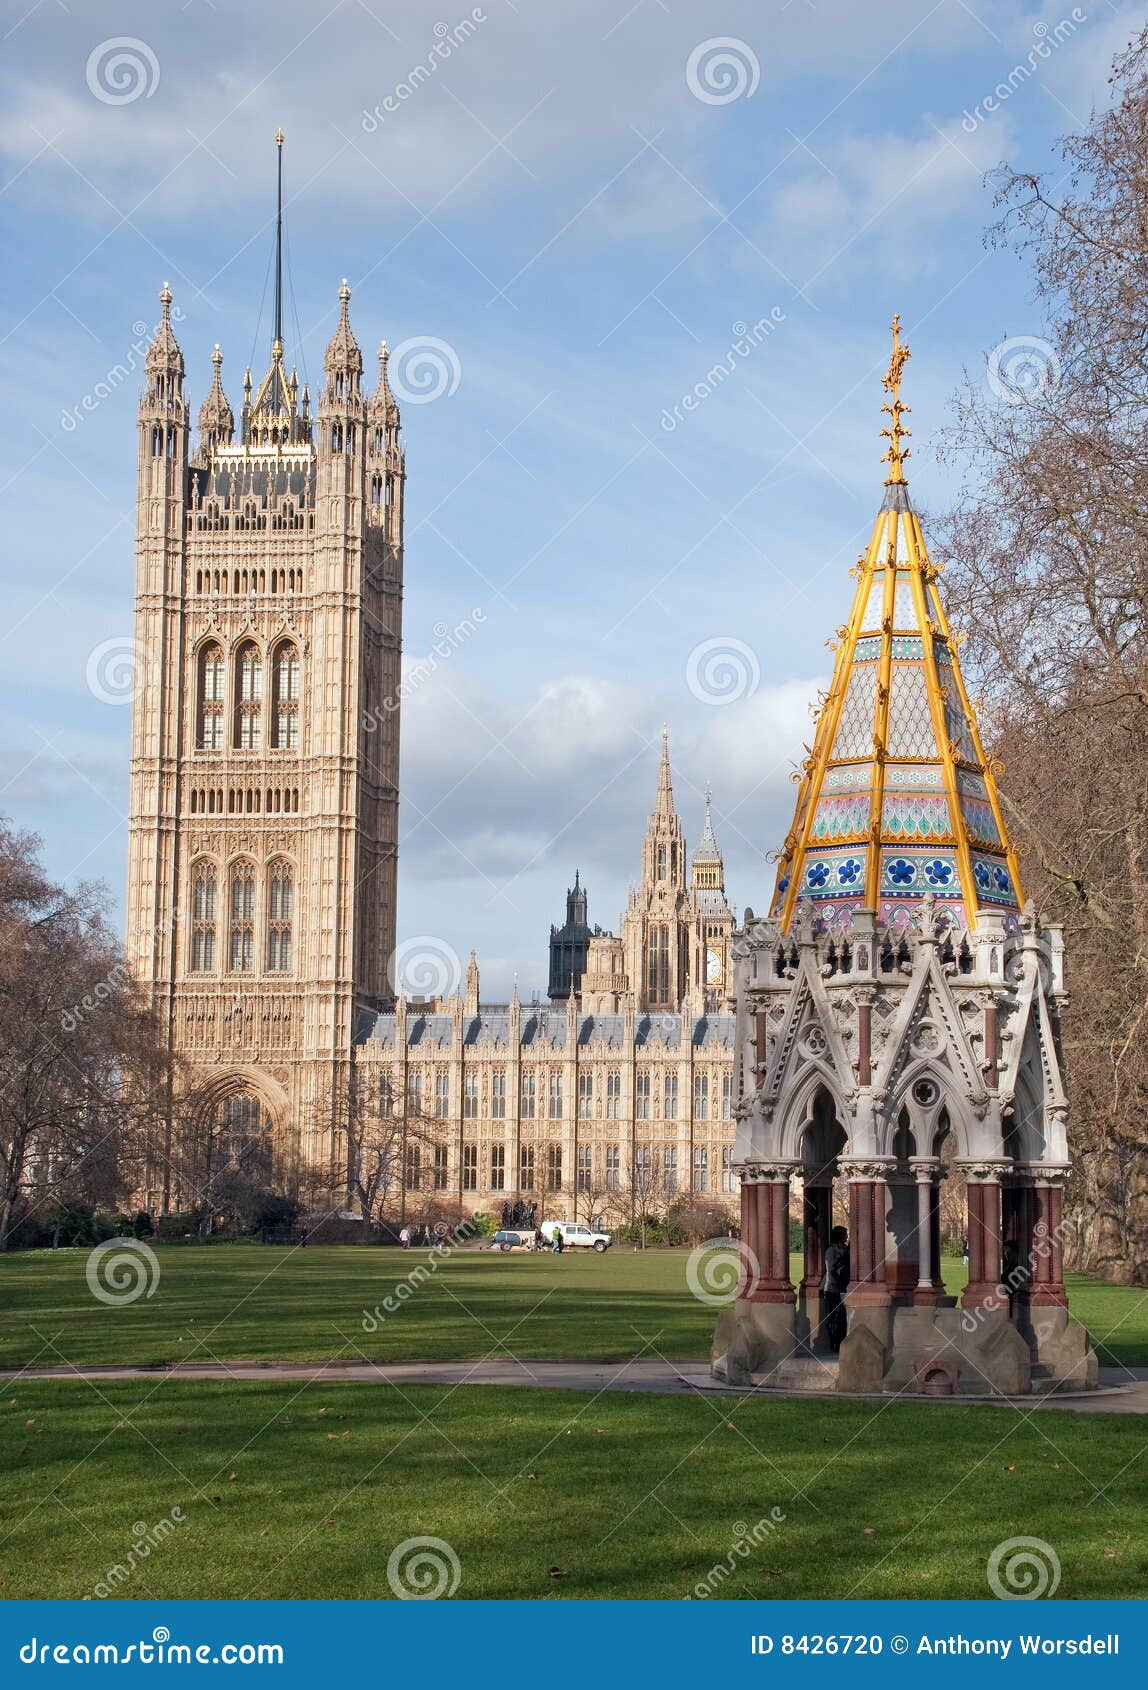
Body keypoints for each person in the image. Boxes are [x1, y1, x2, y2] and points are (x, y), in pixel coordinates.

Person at [821, 1226, 850, 1353]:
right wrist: (838, 1283)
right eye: (845, 1234)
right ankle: (834, 1342)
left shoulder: (845, 1249)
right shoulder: (832, 1250)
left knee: (841, 1317)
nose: (847, 1236)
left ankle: (839, 1342)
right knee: (833, 1316)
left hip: (841, 1287)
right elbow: (830, 1270)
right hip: (832, 1288)